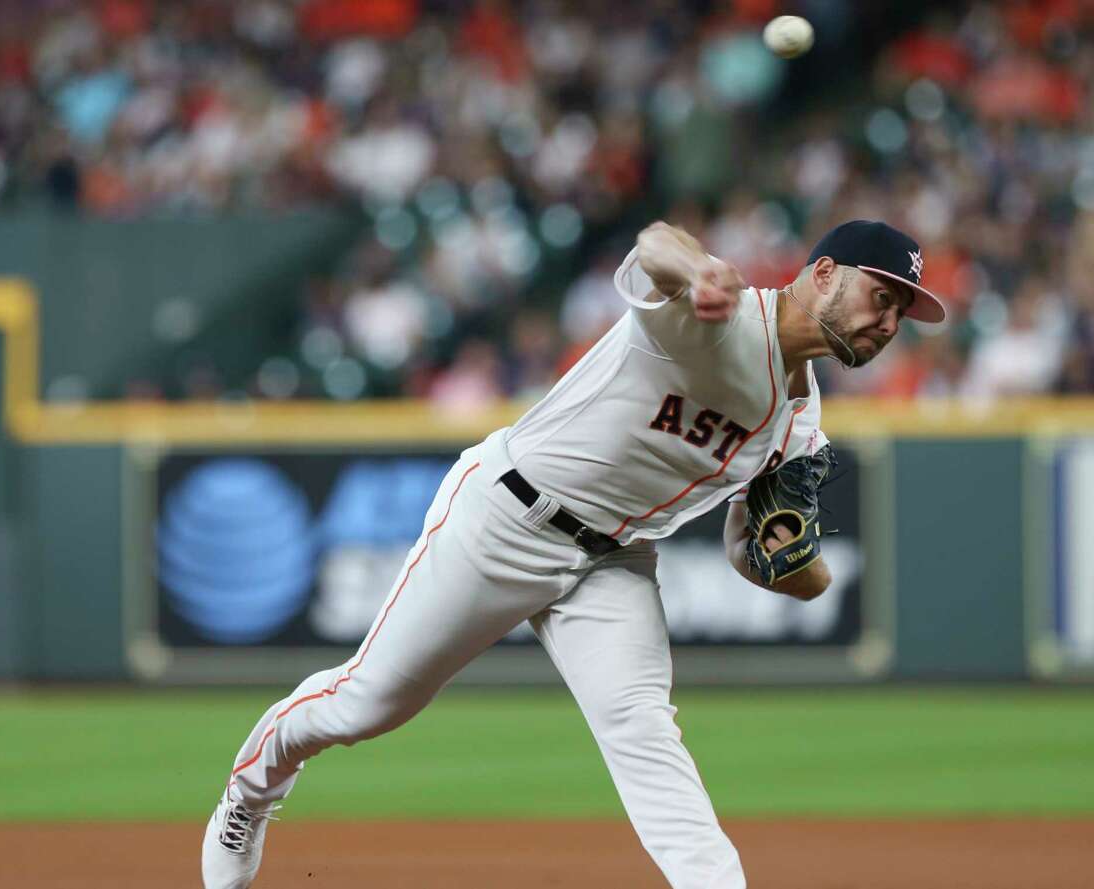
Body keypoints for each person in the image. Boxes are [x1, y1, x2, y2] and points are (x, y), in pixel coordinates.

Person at [202, 218, 946, 889]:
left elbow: (763, 564)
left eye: (900, 313)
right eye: (881, 296)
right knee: (371, 700)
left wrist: (795, 558)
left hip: (613, 561)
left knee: (643, 726)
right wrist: (700, 271)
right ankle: (252, 788)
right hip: (509, 515)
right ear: (823, 274)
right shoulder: (715, 314)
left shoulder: (802, 427)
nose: (887, 322)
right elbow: (655, 246)